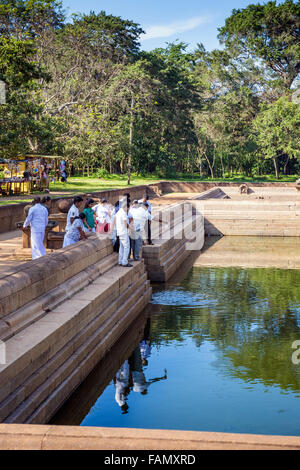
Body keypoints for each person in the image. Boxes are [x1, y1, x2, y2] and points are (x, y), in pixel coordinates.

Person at [115, 200, 132, 267]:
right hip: (124, 232)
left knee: (121, 247)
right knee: (126, 247)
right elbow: (125, 223)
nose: (128, 209)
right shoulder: (123, 213)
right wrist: (130, 227)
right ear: (126, 207)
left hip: (119, 231)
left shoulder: (119, 212)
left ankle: (120, 261)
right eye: (128, 208)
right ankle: (124, 262)